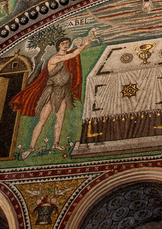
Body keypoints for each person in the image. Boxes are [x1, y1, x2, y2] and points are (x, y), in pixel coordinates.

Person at [10, 29, 98, 157]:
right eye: (63, 44)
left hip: (63, 91)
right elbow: (71, 55)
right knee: (43, 120)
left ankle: (56, 143)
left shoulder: (66, 54)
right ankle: (31, 148)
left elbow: (72, 54)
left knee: (60, 118)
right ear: (58, 46)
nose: (66, 45)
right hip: (51, 92)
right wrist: (85, 44)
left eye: (67, 43)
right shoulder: (55, 58)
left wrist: (87, 39)